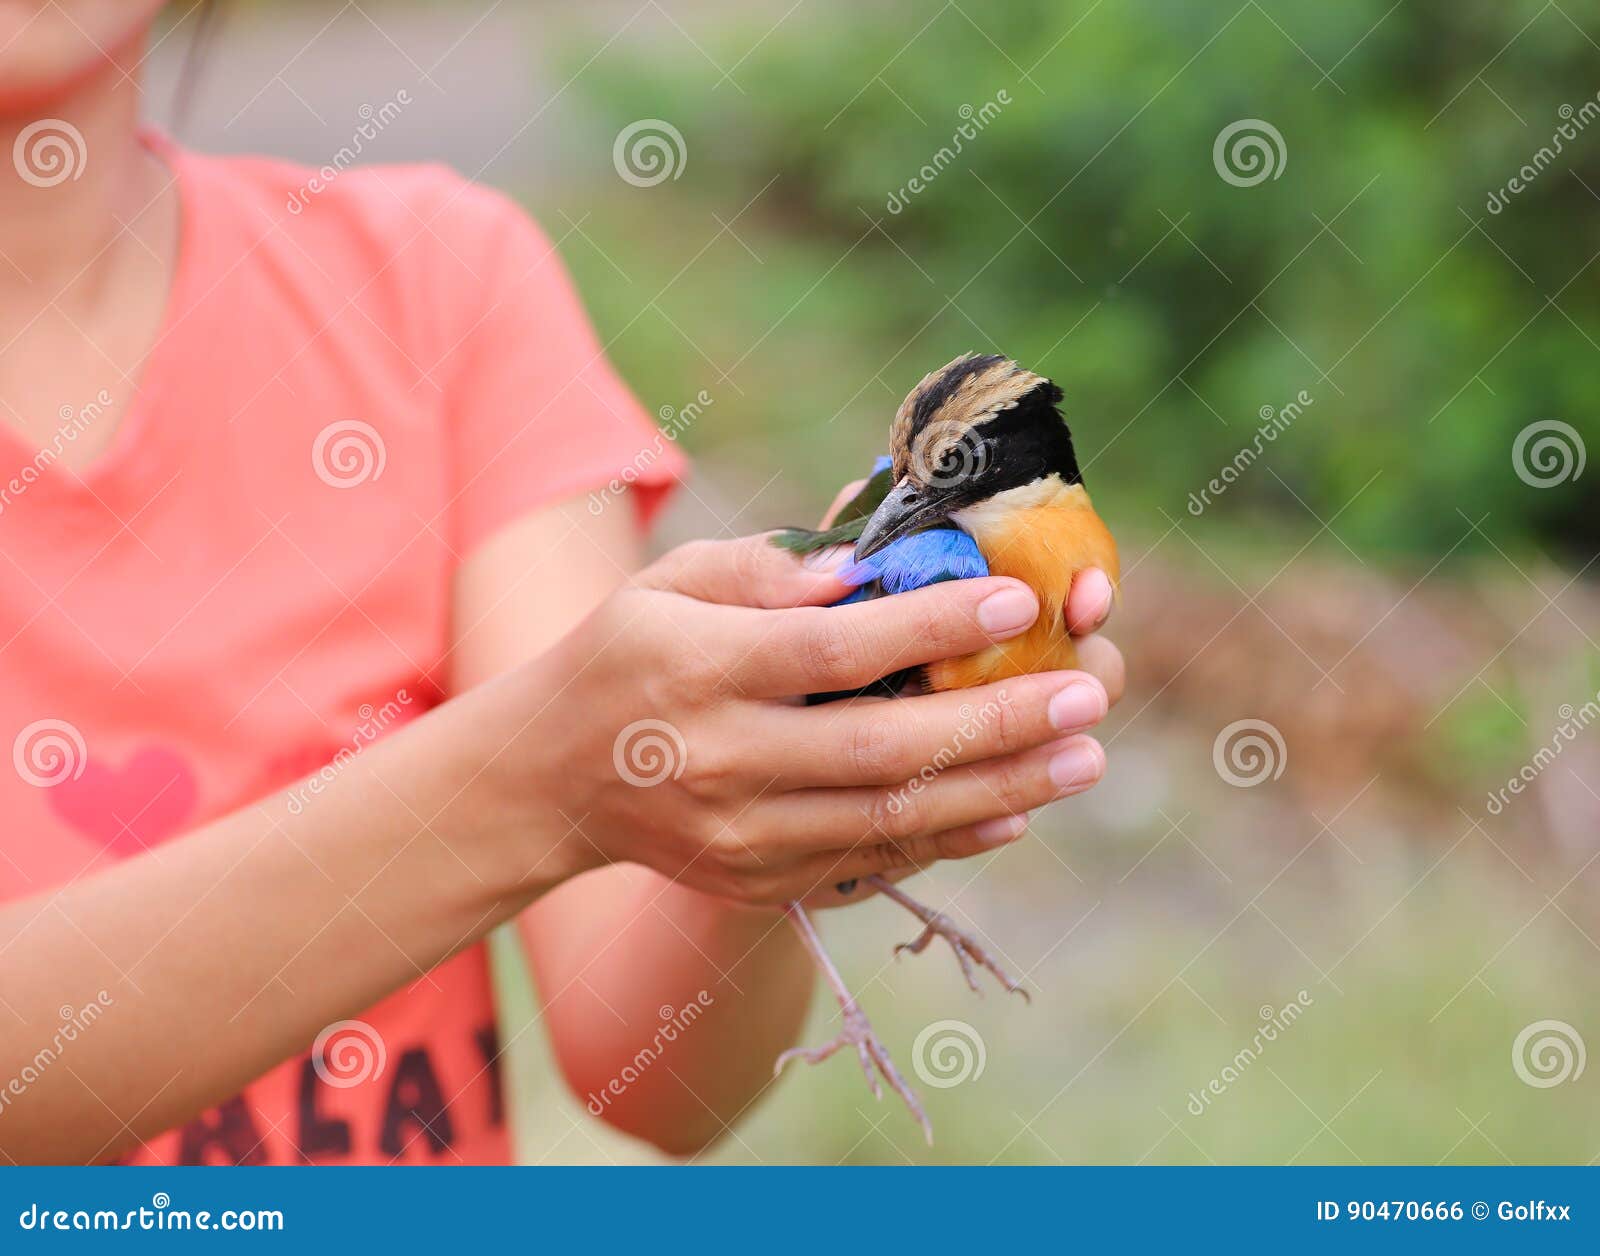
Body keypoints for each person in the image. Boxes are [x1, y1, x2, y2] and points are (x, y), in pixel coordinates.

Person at [0, 1, 1123, 1164]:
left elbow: (649, 1075)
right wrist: (538, 787)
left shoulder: (437, 288)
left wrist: (804, 787)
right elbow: (567, 777)